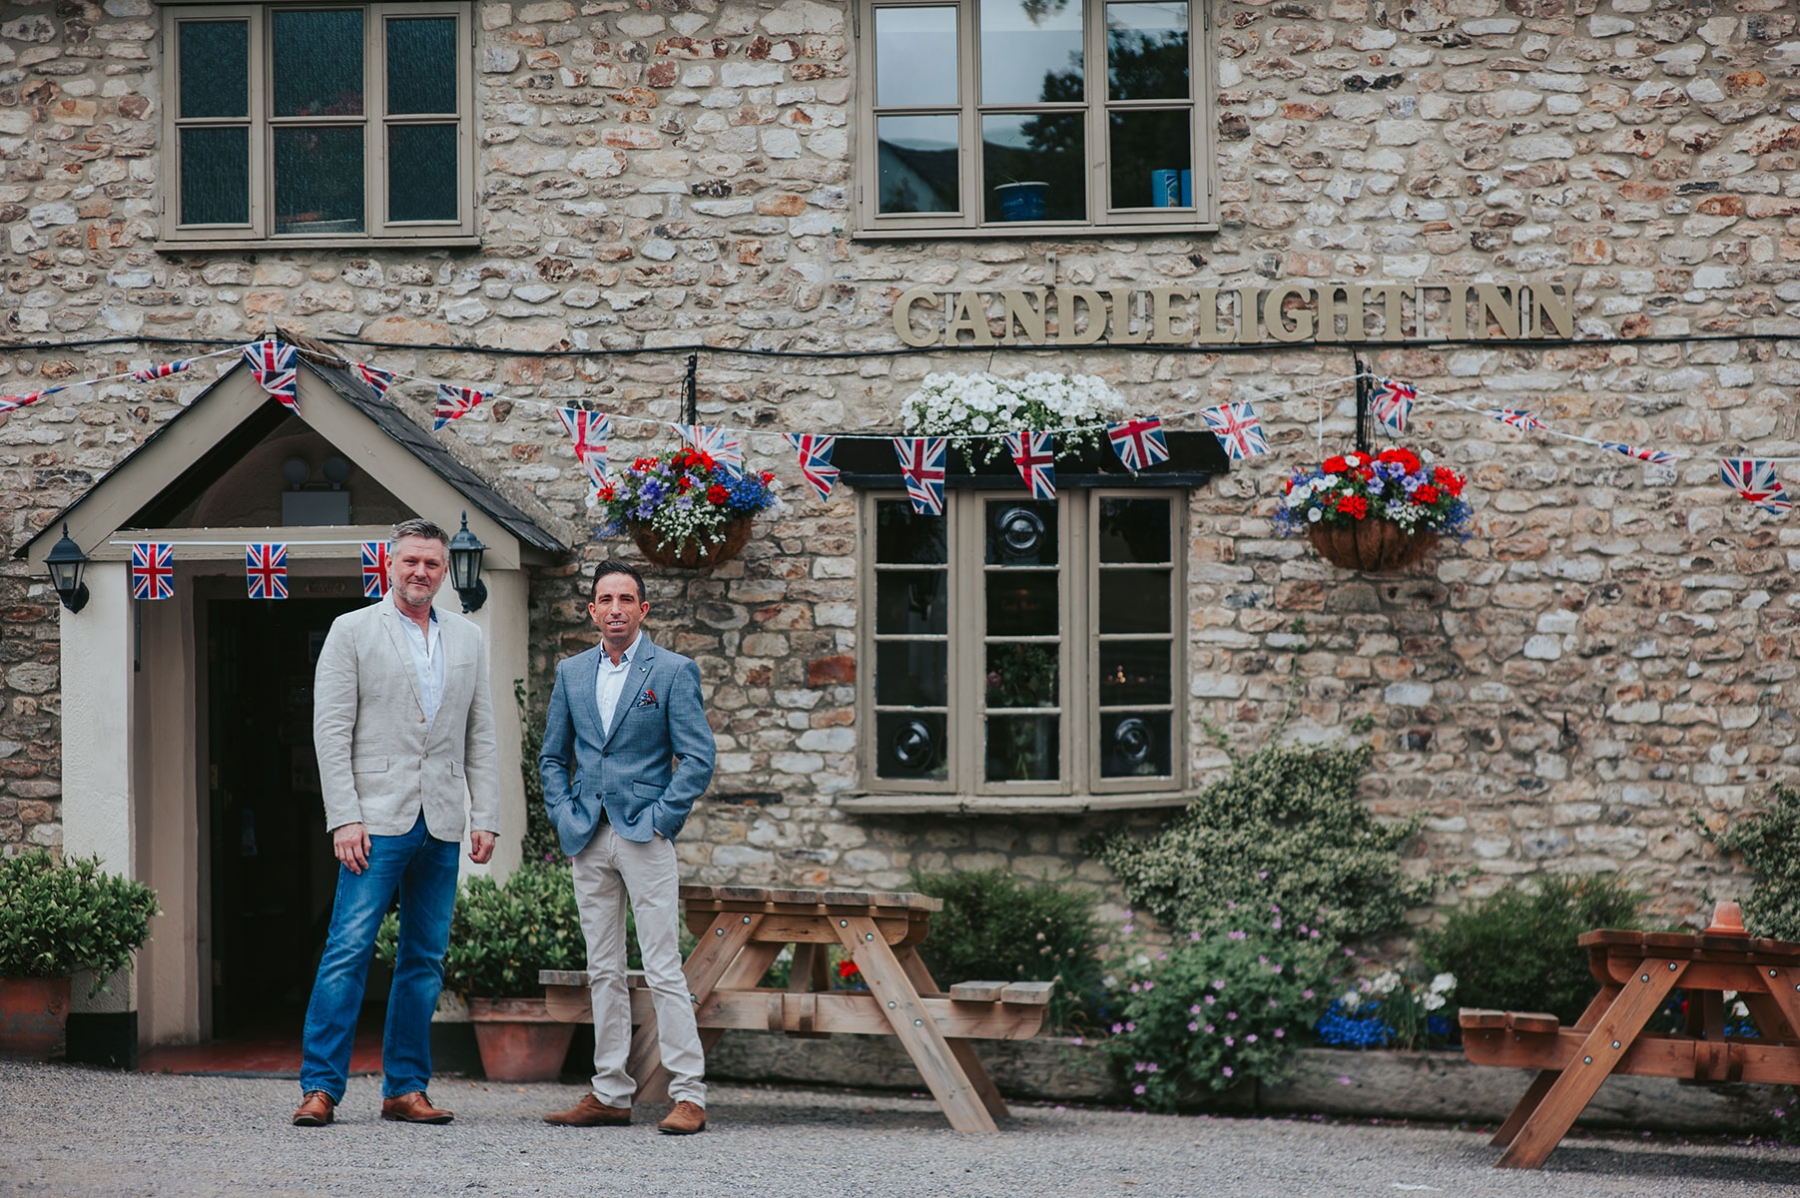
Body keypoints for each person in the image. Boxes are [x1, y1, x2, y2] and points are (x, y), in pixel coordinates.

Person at [292, 518, 501, 1128]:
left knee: (425, 958)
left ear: (444, 570)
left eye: (432, 564)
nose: (421, 572)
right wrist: (344, 818)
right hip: (374, 821)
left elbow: (479, 733)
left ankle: (405, 1088)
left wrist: (483, 814)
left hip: (441, 822)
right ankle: (321, 1088)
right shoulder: (352, 630)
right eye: (410, 561)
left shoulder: (468, 637)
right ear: (390, 564)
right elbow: (330, 732)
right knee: (348, 950)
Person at [539, 560, 717, 1135]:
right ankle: (610, 1092)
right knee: (603, 969)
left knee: (663, 965)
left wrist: (665, 818)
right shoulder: (570, 673)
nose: (615, 607)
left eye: (626, 598)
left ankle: (688, 1094)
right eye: (605, 599)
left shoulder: (672, 671)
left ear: (643, 609)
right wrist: (565, 814)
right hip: (587, 834)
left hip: (645, 833)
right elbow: (551, 757)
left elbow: (697, 756)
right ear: (591, 610)